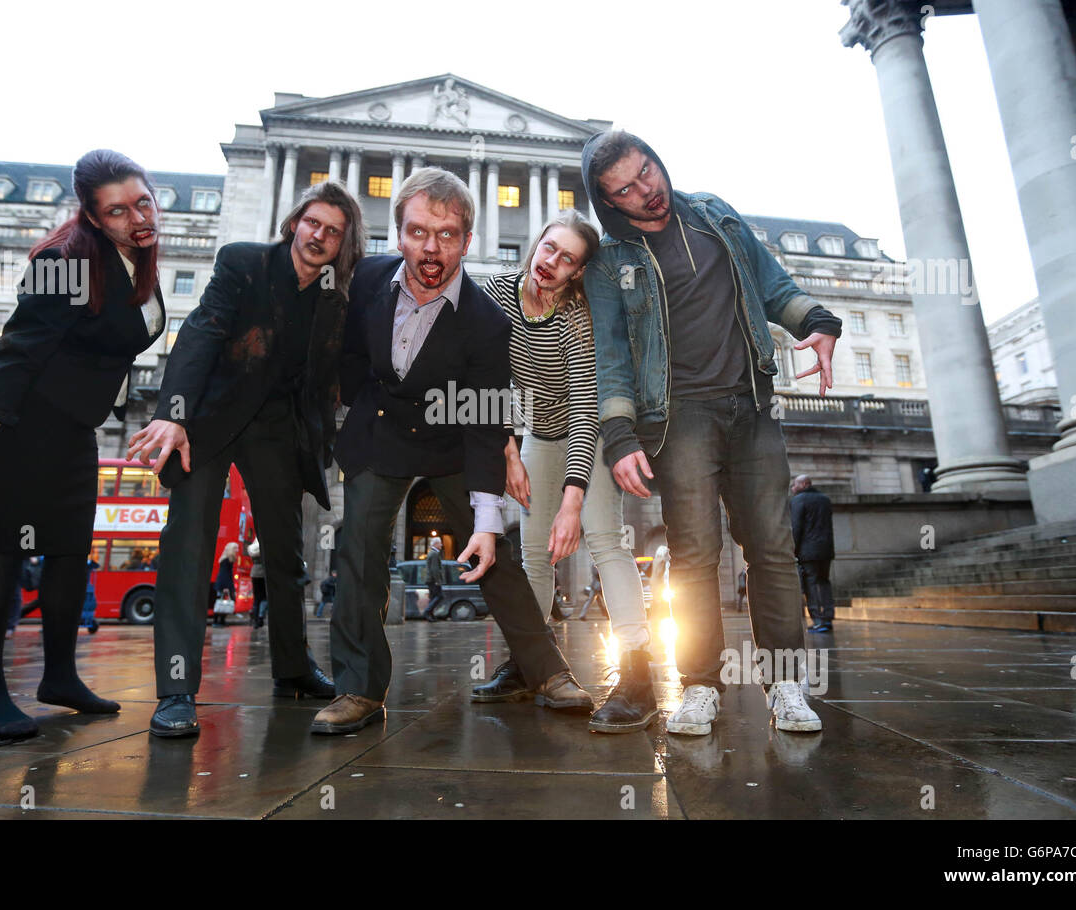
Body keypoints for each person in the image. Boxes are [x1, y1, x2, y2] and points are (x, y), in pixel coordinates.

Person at [315, 167, 592, 735]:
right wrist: (351, 411)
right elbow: (344, 354)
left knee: (495, 558)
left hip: (452, 441)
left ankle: (546, 670)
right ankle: (359, 689)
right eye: (418, 232)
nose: (431, 247)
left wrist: (487, 520)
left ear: (467, 241)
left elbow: (489, 414)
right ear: (398, 236)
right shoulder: (366, 279)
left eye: (447, 235)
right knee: (359, 550)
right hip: (379, 433)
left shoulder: (487, 321)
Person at [582, 130, 843, 735]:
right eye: (625, 189)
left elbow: (772, 285)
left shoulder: (716, 215)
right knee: (696, 556)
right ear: (610, 203)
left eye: (647, 172)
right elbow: (611, 355)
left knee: (774, 551)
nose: (646, 191)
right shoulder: (610, 262)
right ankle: (699, 687)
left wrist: (820, 320)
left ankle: (785, 685)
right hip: (679, 418)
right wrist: (620, 436)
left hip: (752, 404)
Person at [128, 180, 365, 738]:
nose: (320, 236)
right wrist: (174, 413)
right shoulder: (242, 263)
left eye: (334, 231)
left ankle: (293, 667)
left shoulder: (339, 296)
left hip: (280, 433)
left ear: (342, 244)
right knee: (188, 548)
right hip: (208, 423)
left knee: (285, 558)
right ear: (294, 223)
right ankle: (177, 690)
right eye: (314, 223)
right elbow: (200, 334)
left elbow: (340, 374)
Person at [0, 149, 167, 738]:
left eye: (143, 201)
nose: (137, 217)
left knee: (70, 553)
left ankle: (61, 677)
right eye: (118, 212)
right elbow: (14, 354)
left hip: (74, 428)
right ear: (94, 219)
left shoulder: (135, 260)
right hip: (22, 428)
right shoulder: (66, 260)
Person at [480, 210, 656, 733]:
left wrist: (572, 500)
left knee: (607, 542)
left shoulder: (578, 317)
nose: (551, 263)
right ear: (537, 244)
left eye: (568, 259)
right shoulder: (497, 294)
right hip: (535, 431)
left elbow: (585, 407)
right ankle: (530, 663)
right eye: (549, 248)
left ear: (578, 272)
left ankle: (638, 673)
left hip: (590, 429)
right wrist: (507, 447)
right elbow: (484, 373)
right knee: (533, 553)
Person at [790, 474, 836, 633]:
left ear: (804, 484)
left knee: (811, 584)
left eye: (795, 484)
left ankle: (817, 620)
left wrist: (793, 549)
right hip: (826, 549)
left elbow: (796, 527)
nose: (792, 488)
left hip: (807, 551)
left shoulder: (798, 500)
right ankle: (828, 618)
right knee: (824, 581)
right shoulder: (825, 499)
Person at [212, 541, 238, 627]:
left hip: (224, 583)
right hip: (224, 584)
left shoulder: (227, 559)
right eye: (235, 548)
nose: (237, 550)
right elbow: (225, 574)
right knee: (221, 602)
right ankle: (217, 621)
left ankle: (220, 621)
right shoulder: (226, 560)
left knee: (222, 602)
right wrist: (226, 587)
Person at [424, 537, 445, 621]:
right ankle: (427, 611)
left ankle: (430, 615)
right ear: (436, 544)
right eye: (440, 543)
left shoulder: (432, 553)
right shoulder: (434, 554)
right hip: (433, 580)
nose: (441, 545)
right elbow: (435, 569)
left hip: (430, 580)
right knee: (439, 596)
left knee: (433, 597)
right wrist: (438, 581)